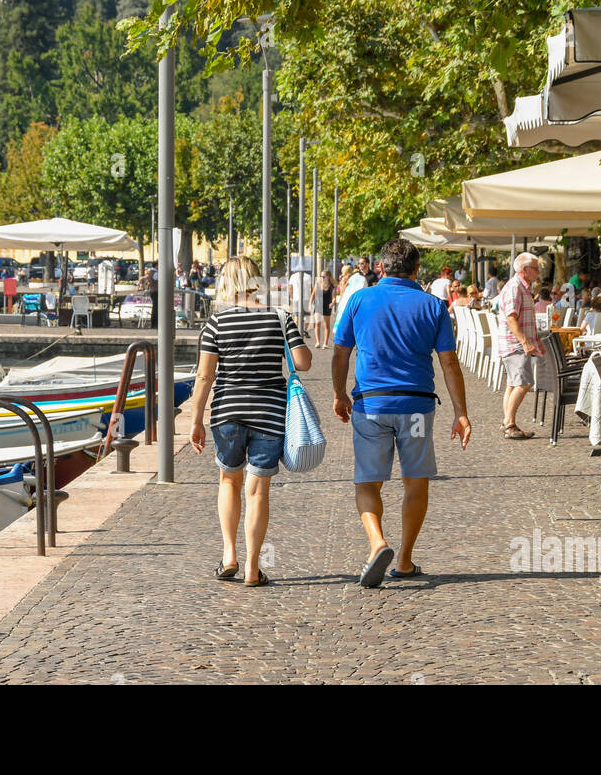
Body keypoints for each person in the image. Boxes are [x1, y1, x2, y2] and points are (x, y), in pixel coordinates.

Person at [332, 238, 471, 586]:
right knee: (416, 482)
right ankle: (405, 560)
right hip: (417, 408)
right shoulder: (433, 306)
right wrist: (461, 412)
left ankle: (378, 541)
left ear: (380, 268)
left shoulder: (359, 299)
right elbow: (449, 363)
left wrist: (338, 394)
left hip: (371, 405)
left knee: (367, 480)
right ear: (417, 269)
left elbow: (340, 354)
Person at [190, 257, 311, 587]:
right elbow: (303, 362)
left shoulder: (216, 323)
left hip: (227, 411)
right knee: (258, 491)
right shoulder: (279, 316)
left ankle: (229, 555)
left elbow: (205, 376)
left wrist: (196, 420)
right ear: (257, 280)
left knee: (229, 481)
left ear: (228, 282)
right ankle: (253, 569)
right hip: (269, 413)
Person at [495, 252, 545, 440]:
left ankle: (507, 422)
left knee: (513, 384)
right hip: (514, 343)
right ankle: (509, 424)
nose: (538, 273)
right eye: (536, 269)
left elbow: (524, 318)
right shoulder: (515, 287)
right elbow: (511, 318)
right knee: (524, 383)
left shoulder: (522, 287)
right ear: (525, 270)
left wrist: (536, 340)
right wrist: (525, 342)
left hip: (515, 343)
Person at [311, 270, 336, 348]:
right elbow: (313, 295)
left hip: (327, 307)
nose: (322, 278)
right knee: (317, 324)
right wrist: (310, 304)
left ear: (328, 277)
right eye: (321, 276)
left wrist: (332, 303)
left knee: (326, 326)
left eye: (323, 276)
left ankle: (325, 343)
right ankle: (318, 342)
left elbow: (334, 297)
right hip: (318, 306)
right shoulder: (317, 284)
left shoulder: (332, 286)